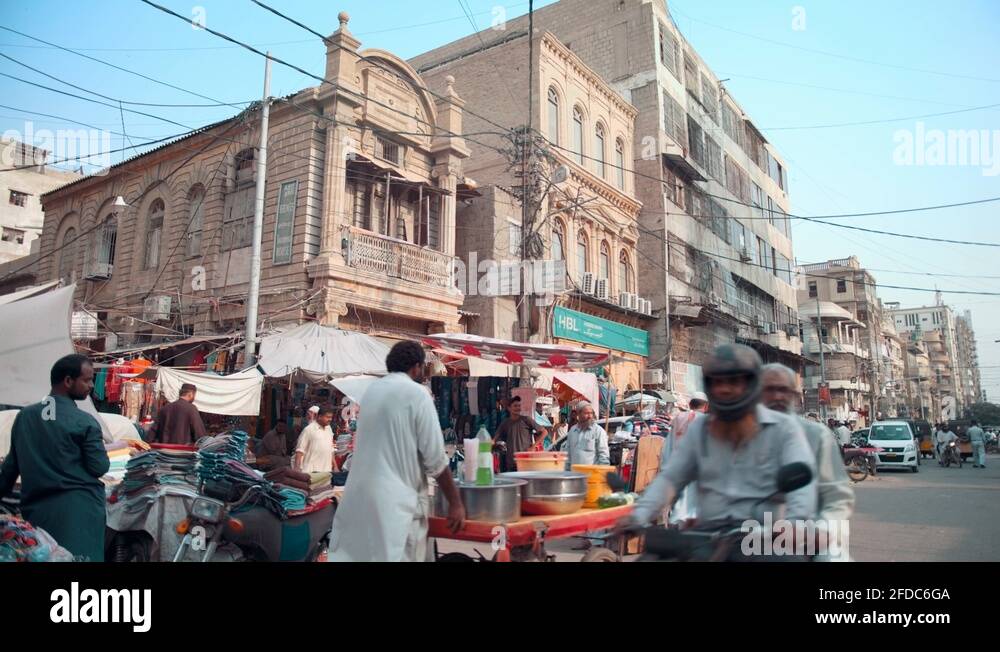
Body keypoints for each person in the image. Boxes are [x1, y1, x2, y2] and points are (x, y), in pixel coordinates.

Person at [621, 344, 817, 539]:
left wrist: (793, 524)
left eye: (733, 381)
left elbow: (802, 491)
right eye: (717, 382)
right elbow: (671, 478)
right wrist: (639, 515)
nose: (723, 389)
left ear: (752, 384)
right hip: (708, 536)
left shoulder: (783, 428)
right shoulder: (699, 429)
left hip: (766, 538)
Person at [328, 341, 465, 562]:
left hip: (360, 504)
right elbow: (436, 460)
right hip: (396, 509)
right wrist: (456, 504)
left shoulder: (372, 392)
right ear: (416, 367)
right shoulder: (418, 394)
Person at [0, 354, 110, 561]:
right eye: (86, 380)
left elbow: (10, 469)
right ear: (68, 381)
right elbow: (99, 467)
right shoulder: (84, 421)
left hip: (38, 512)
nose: (91, 386)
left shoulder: (25, 417)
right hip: (79, 512)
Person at [761, 364, 854, 561]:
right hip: (752, 533)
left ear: (795, 397)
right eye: (769, 389)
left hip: (809, 536)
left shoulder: (817, 435)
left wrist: (820, 532)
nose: (777, 396)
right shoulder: (743, 435)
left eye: (783, 390)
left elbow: (837, 498)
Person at [666, 391, 709, 525]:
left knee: (681, 509)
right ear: (706, 406)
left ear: (690, 404)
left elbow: (668, 447)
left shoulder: (678, 418)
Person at [493, 396, 547, 472]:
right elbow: (495, 439)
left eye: (519, 406)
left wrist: (533, 447)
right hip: (511, 463)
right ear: (509, 408)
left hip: (525, 461)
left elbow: (544, 432)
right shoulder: (505, 423)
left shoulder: (526, 420)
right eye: (515, 406)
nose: (517, 408)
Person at [565, 401, 610, 468]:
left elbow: (604, 456)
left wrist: (602, 474)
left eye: (591, 413)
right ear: (578, 414)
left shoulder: (598, 431)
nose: (590, 416)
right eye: (586, 413)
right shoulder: (572, 431)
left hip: (592, 476)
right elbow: (567, 455)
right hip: (574, 475)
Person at [294, 406, 337, 473]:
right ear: (319, 416)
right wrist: (297, 468)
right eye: (327, 417)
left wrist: (335, 466)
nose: (330, 419)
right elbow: (300, 451)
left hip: (326, 471)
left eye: (331, 417)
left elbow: (331, 449)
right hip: (311, 471)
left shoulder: (329, 429)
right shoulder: (309, 429)